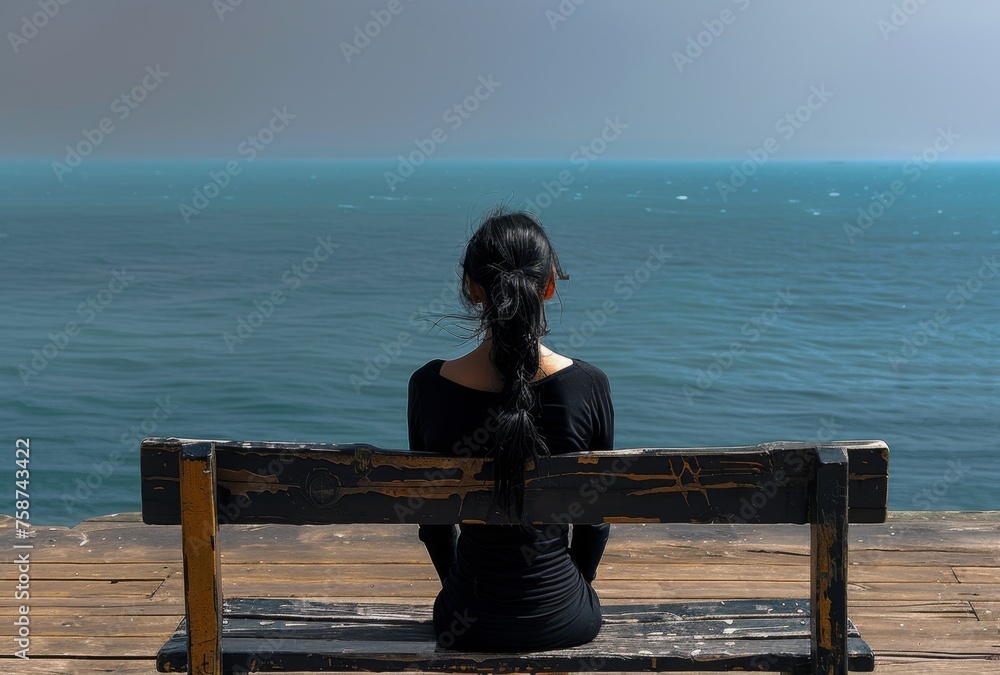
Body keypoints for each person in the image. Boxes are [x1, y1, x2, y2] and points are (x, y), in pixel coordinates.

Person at [407, 205, 614, 651]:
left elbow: (434, 523)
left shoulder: (428, 386)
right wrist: (572, 587)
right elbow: (595, 521)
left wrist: (455, 588)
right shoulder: (588, 385)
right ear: (550, 288)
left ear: (472, 288)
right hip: (566, 618)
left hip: (466, 621)